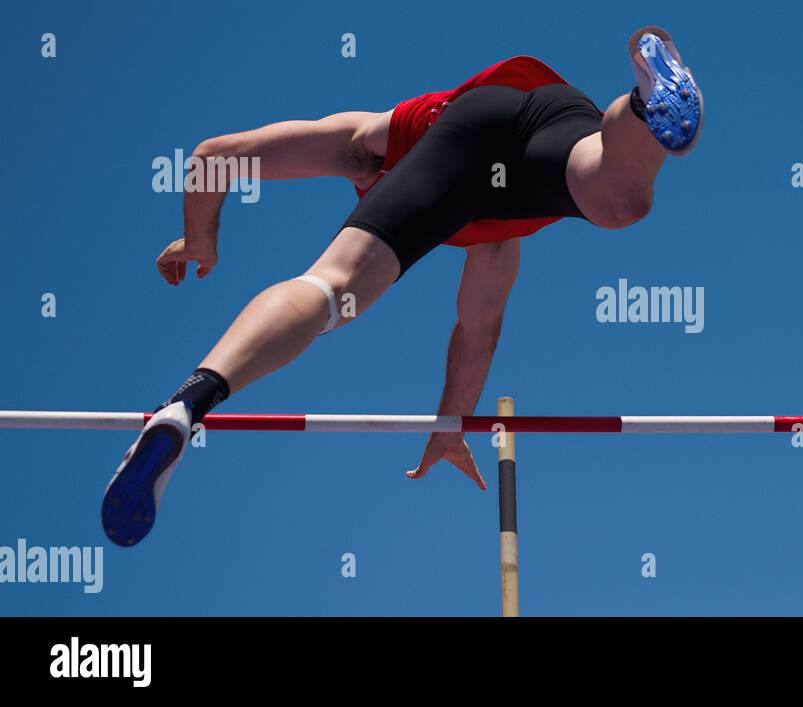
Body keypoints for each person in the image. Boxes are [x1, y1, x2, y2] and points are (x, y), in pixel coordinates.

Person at [102, 26, 702, 546]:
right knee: (618, 197)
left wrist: (201, 237)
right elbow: (477, 330)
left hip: (487, 127)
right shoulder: (494, 241)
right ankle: (647, 105)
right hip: (554, 127)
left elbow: (215, 155)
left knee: (329, 290)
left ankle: (189, 401)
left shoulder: (366, 142)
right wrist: (448, 426)